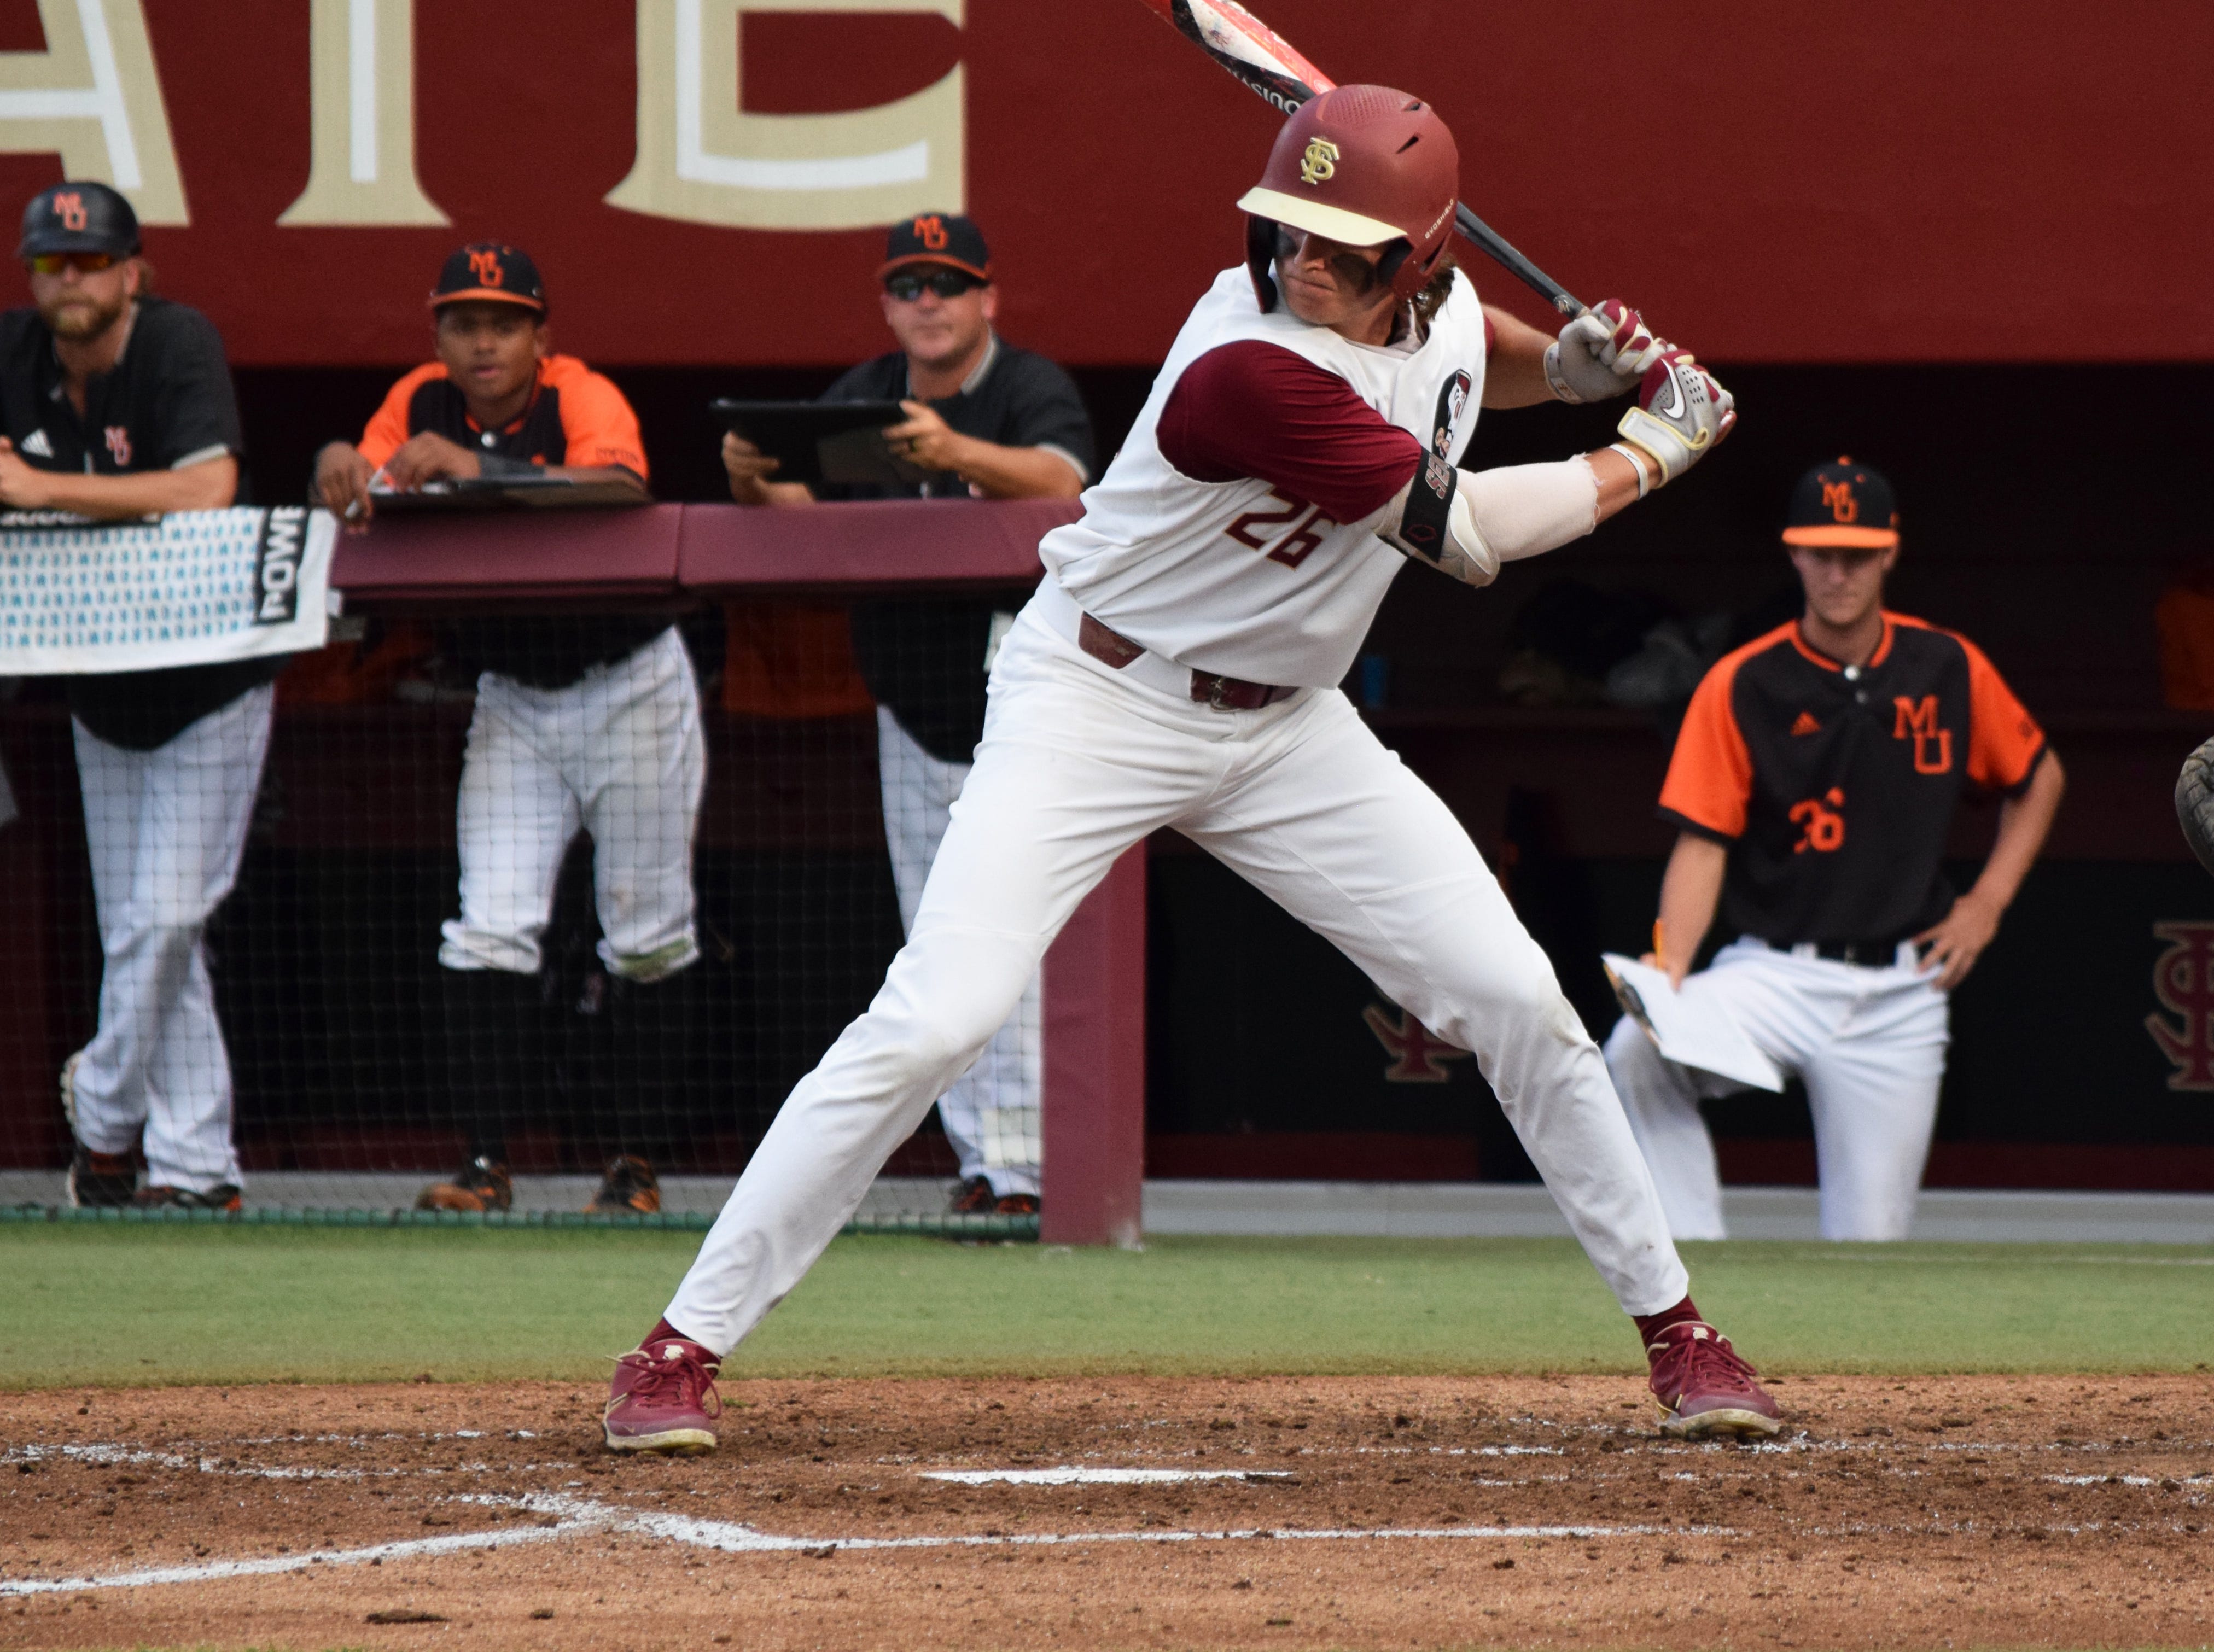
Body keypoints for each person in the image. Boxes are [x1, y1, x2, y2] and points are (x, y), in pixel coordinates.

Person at [602, 83, 1770, 1454]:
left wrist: (1566, 365)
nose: (1309, 263)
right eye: (1289, 233)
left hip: (1288, 723)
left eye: (1349, 247)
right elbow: (1470, 534)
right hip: (1098, 695)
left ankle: (1680, 1331)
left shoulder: (1430, 299)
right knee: (936, 1016)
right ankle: (677, 1347)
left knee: (1517, 993)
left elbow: (1467, 351)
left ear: (1425, 256)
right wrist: (1651, 441)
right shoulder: (1248, 364)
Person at [314, 244, 703, 1217]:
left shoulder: (581, 395)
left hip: (631, 682)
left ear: (541, 334)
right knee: (488, 923)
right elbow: (362, 476)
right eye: (463, 322)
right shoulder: (416, 397)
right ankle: (486, 1166)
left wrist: (482, 468)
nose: (483, 341)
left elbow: (619, 489)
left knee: (647, 933)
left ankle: (635, 1167)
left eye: (504, 322)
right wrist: (335, 463)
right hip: (513, 694)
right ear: (437, 332)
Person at [722, 212, 1093, 1221]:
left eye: (948, 283)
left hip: (1039, 711)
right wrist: (758, 484)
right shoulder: (862, 392)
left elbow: (1066, 482)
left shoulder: (1025, 386)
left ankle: (1045, 1170)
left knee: (1036, 948)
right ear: (889, 305)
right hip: (916, 709)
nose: (928, 301)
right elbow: (813, 506)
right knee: (943, 945)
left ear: (987, 299)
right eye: (909, 285)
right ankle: (994, 1168)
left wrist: (954, 447)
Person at [1605, 457, 2064, 1241]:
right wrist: (1672, 964)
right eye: (1822, 551)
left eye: (1856, 552)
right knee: (1635, 1050)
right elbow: (1703, 840)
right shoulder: (1743, 680)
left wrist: (1986, 903)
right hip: (1773, 971)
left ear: (1889, 552)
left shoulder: (1946, 664)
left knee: (1869, 1245)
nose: (1838, 570)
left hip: (1898, 987)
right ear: (1794, 553)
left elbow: (2039, 776)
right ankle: (1693, 1266)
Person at [1, 182, 281, 1212]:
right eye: (51, 264)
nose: (70, 279)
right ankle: (197, 1169)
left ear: (133, 272)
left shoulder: (175, 342)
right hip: (99, 688)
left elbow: (208, 486)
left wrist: (38, 489)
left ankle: (106, 1113)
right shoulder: (16, 356)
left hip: (211, 681)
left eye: (90, 262)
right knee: (151, 933)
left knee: (162, 918)